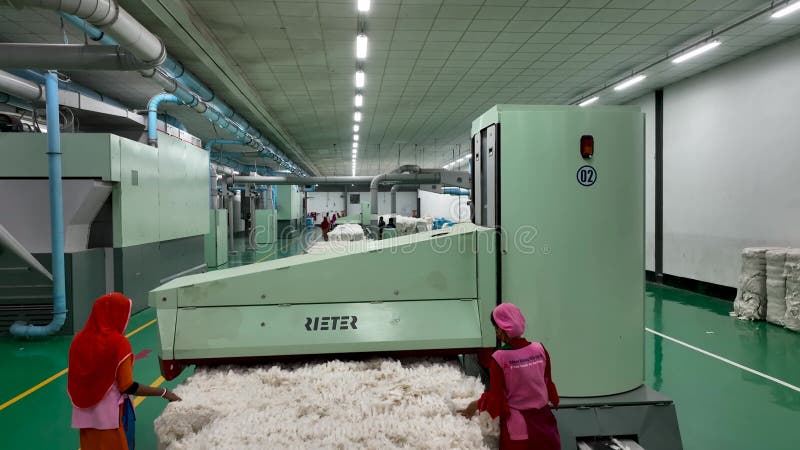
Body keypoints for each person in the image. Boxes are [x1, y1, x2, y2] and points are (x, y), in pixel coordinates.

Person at [68, 293, 181, 450]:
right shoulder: (118, 343)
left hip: (86, 414)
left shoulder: (78, 339)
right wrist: (163, 392)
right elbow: (127, 386)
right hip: (111, 416)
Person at [459, 303, 560, 450]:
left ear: (500, 329)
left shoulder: (499, 358)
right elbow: (546, 383)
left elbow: (495, 399)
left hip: (519, 432)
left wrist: (473, 406)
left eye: (495, 328)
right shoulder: (540, 349)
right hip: (545, 427)